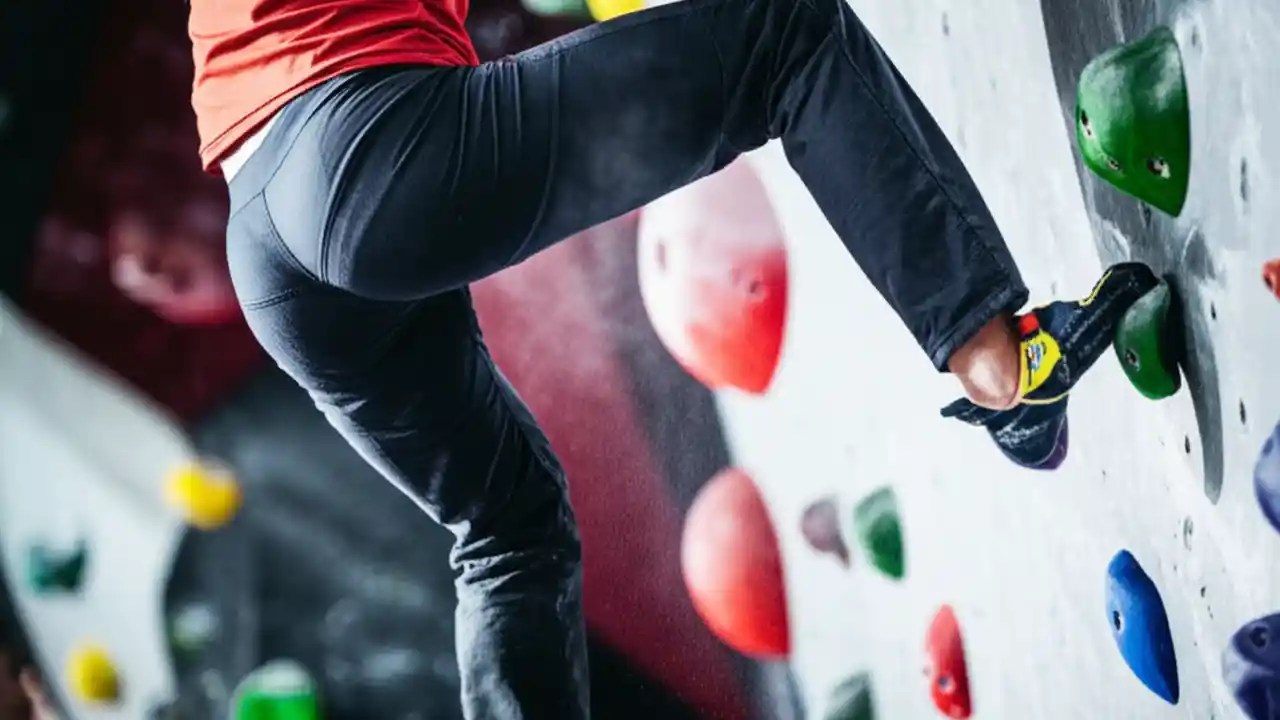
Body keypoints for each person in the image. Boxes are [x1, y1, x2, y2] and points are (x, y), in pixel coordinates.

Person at [186, 0, 1160, 716]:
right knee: (785, 39)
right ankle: (999, 368)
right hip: (360, 149)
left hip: (267, 244)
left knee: (506, 531)